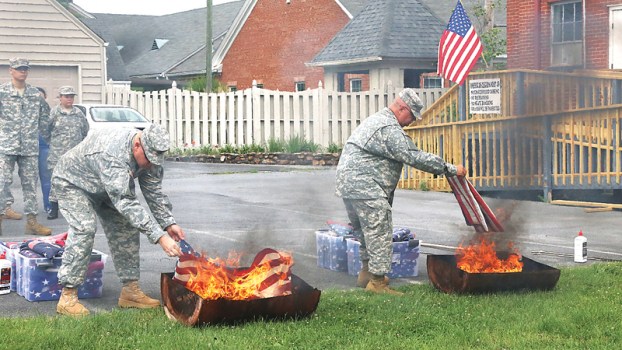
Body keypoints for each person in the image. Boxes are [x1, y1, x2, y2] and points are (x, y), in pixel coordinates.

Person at [335, 88, 467, 295]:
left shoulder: (377, 120)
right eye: (412, 116)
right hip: (366, 186)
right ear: (402, 108)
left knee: (365, 231)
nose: (412, 122)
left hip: (350, 186)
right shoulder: (388, 127)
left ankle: (367, 274)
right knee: (379, 232)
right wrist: (451, 169)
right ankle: (377, 283)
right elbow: (413, 156)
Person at [53, 124, 185, 317]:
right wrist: (159, 236)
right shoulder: (113, 154)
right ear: (137, 146)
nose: (150, 164)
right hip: (73, 184)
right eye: (148, 159)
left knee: (127, 226)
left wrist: (168, 223)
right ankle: (67, 296)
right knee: (84, 228)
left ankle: (130, 292)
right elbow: (125, 202)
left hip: (106, 188)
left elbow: (153, 192)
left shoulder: (150, 156)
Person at [0, 58, 52, 236]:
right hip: (6, 146)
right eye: (19, 68)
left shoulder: (35, 95)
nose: (23, 72)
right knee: (2, 184)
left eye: (25, 69)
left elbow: (45, 121)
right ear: (11, 70)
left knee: (30, 185)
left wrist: (52, 144)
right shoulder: (2, 92)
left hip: (29, 147)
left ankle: (32, 222)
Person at [45, 86, 89, 220]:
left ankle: (76, 209)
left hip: (74, 156)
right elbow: (46, 131)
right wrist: (54, 145)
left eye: (71, 96)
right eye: (66, 96)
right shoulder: (54, 113)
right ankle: (53, 209)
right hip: (57, 155)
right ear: (60, 98)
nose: (69, 99)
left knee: (76, 182)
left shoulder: (79, 113)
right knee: (56, 182)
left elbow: (85, 132)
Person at [37, 87, 52, 216]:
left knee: (46, 179)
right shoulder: (24, 112)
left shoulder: (50, 113)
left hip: (44, 147)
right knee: (28, 182)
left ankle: (49, 205)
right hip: (25, 148)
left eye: (41, 96)